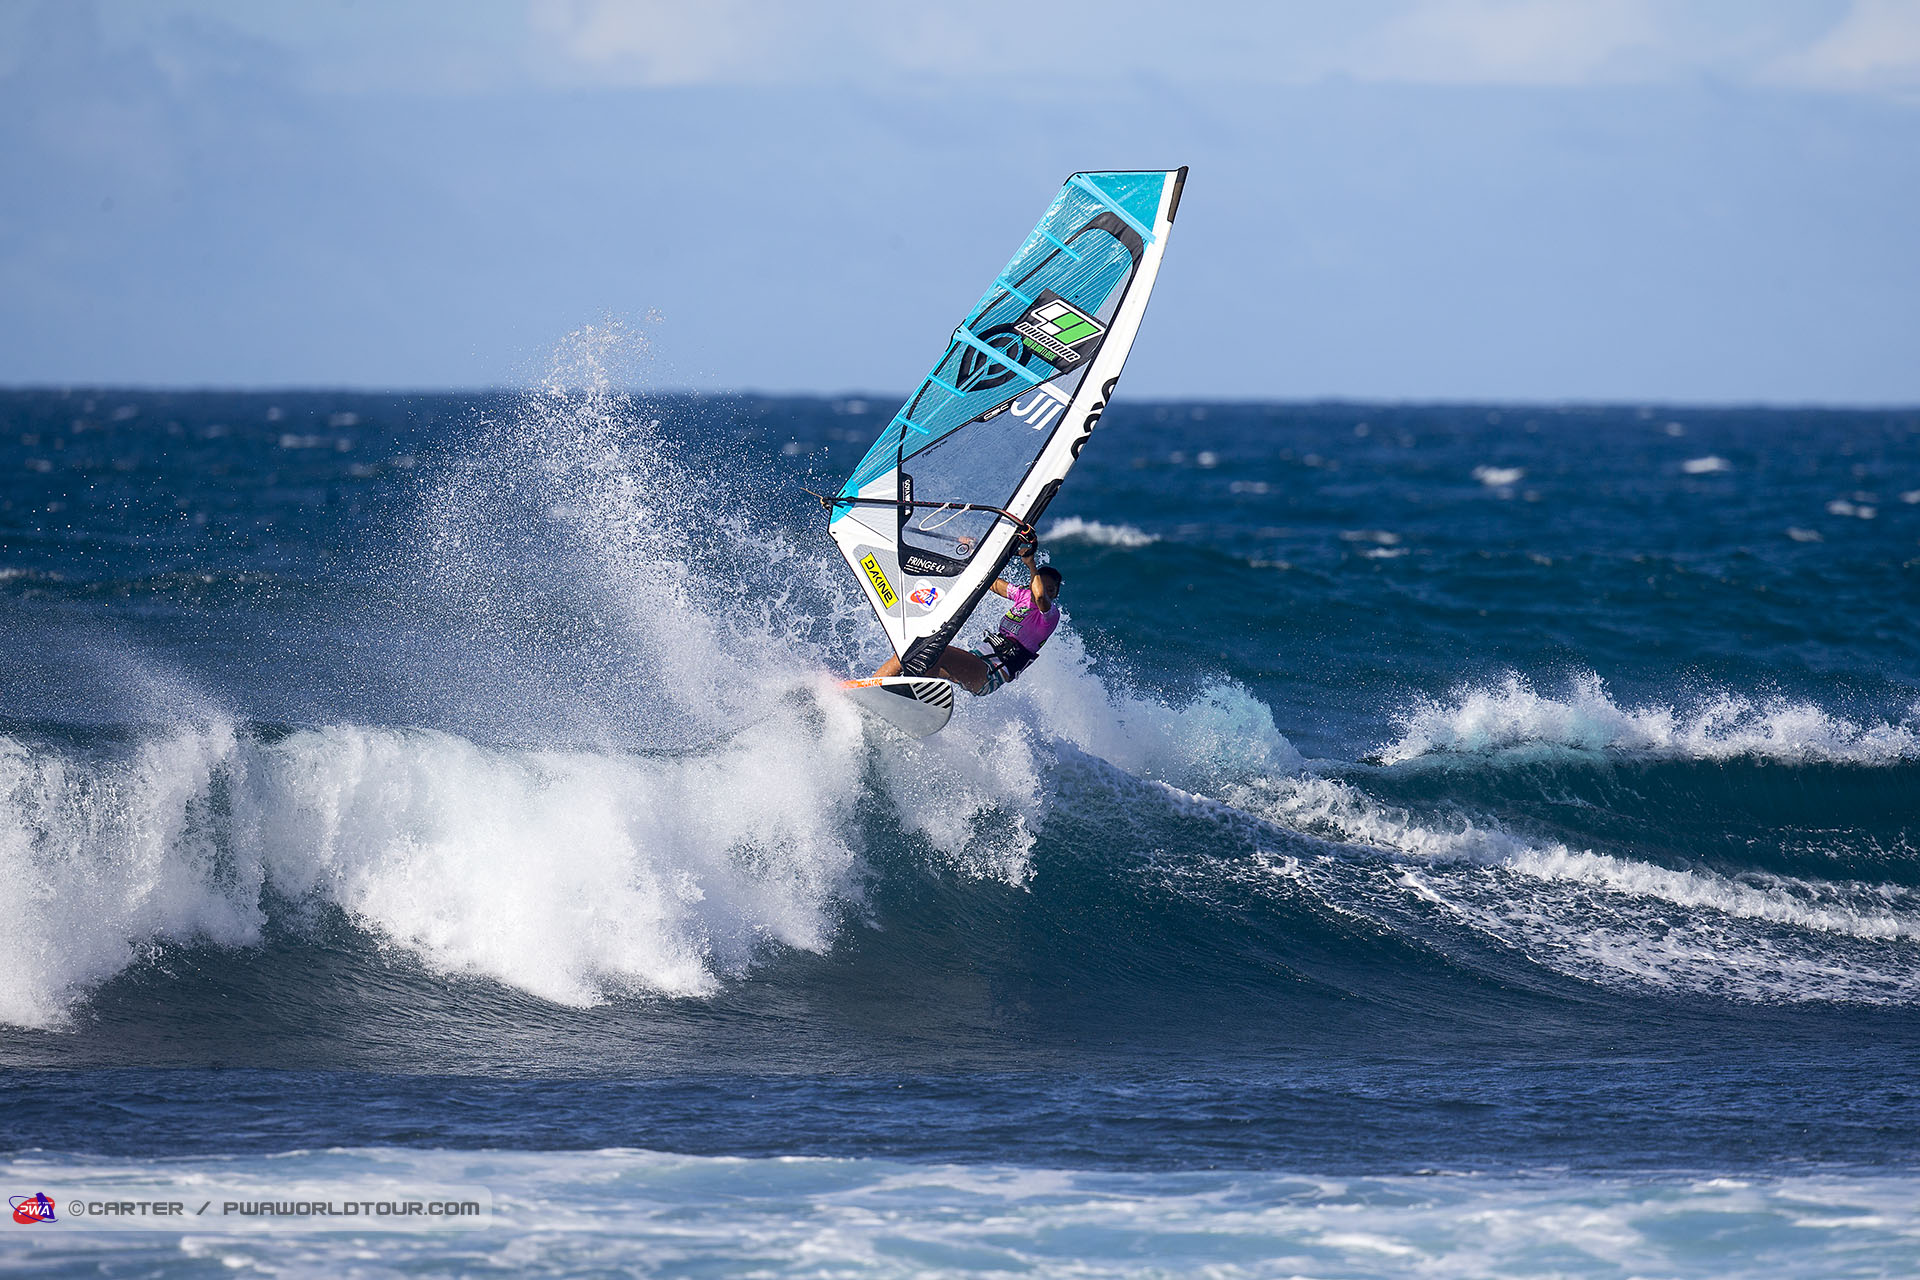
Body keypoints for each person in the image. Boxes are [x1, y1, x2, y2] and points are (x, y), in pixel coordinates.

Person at [872, 534, 1061, 695]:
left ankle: (907, 698)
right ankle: (875, 688)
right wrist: (972, 552)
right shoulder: (1023, 596)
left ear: (1055, 593)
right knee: (912, 655)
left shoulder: (1050, 616)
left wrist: (1031, 565)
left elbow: (1041, 598)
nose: (1045, 591)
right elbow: (990, 581)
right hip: (976, 663)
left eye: (1051, 589)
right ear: (1032, 584)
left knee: (933, 650)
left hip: (989, 672)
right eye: (1042, 586)